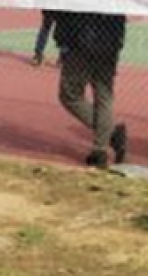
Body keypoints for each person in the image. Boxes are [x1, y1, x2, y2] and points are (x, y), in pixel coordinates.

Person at [53, 10, 129, 168]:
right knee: (103, 96)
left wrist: (63, 40)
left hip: (80, 43)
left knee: (70, 95)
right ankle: (102, 146)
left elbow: (57, 10)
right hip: (108, 44)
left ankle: (110, 137)